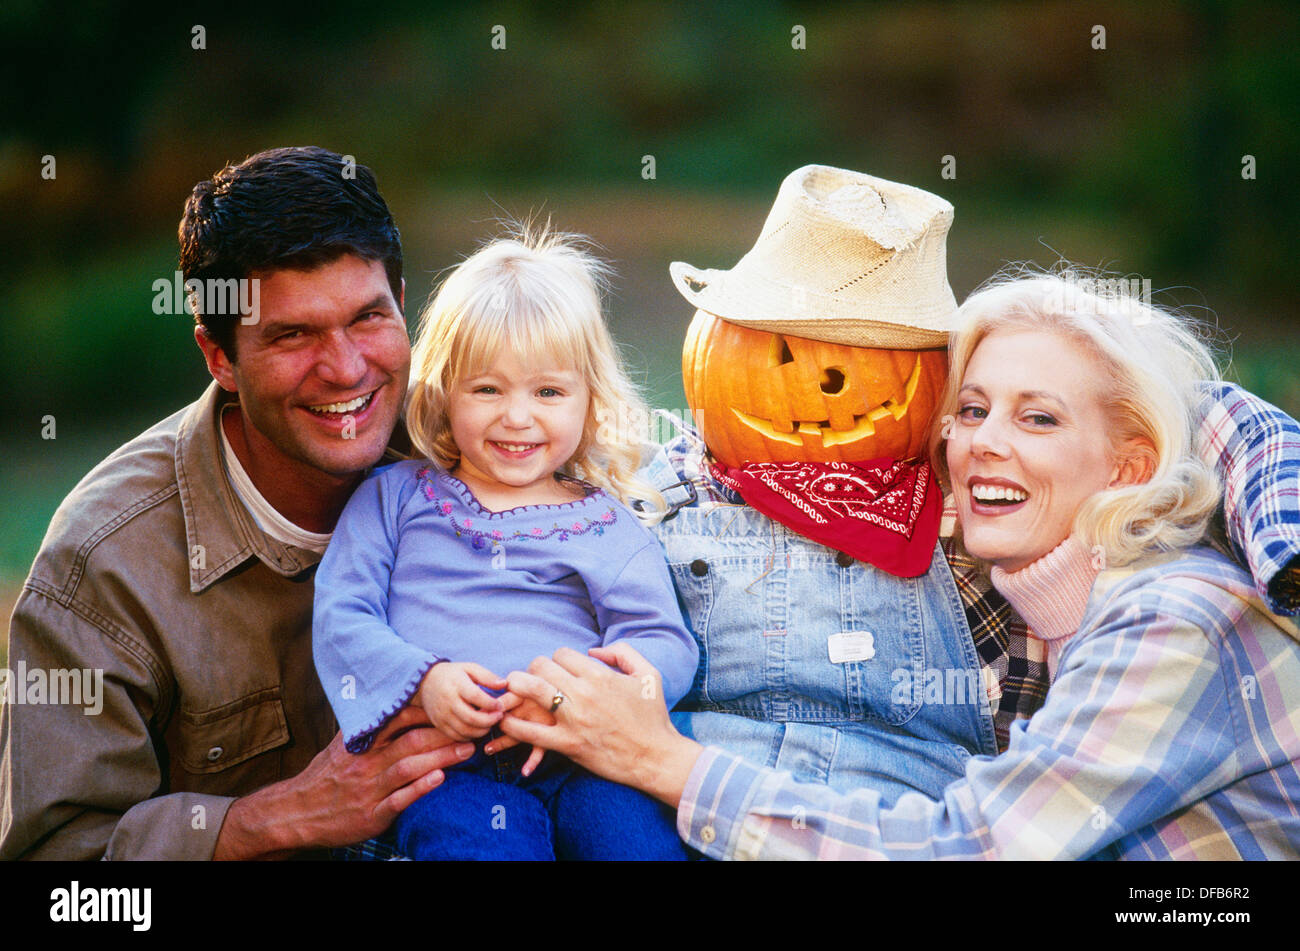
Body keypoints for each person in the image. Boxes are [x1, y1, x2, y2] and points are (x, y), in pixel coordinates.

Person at [499, 268, 1300, 859]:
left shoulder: (1176, 618)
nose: (985, 441)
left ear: (1130, 467)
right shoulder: (1036, 588)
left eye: (1039, 418)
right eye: (974, 409)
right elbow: (725, 467)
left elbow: (972, 848)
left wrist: (664, 761)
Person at [0, 146, 473, 861]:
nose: (346, 368)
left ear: (401, 303)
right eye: (292, 334)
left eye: (367, 318)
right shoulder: (101, 568)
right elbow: (65, 890)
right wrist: (268, 819)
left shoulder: (474, 445)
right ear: (219, 356)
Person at [312, 226, 698, 860]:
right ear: (443, 393)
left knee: (634, 842)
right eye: (487, 389)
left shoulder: (606, 526)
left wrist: (589, 695)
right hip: (445, 764)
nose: (517, 417)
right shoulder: (395, 498)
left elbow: (661, 641)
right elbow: (341, 613)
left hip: (582, 758)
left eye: (548, 392)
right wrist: (423, 683)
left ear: (588, 400)